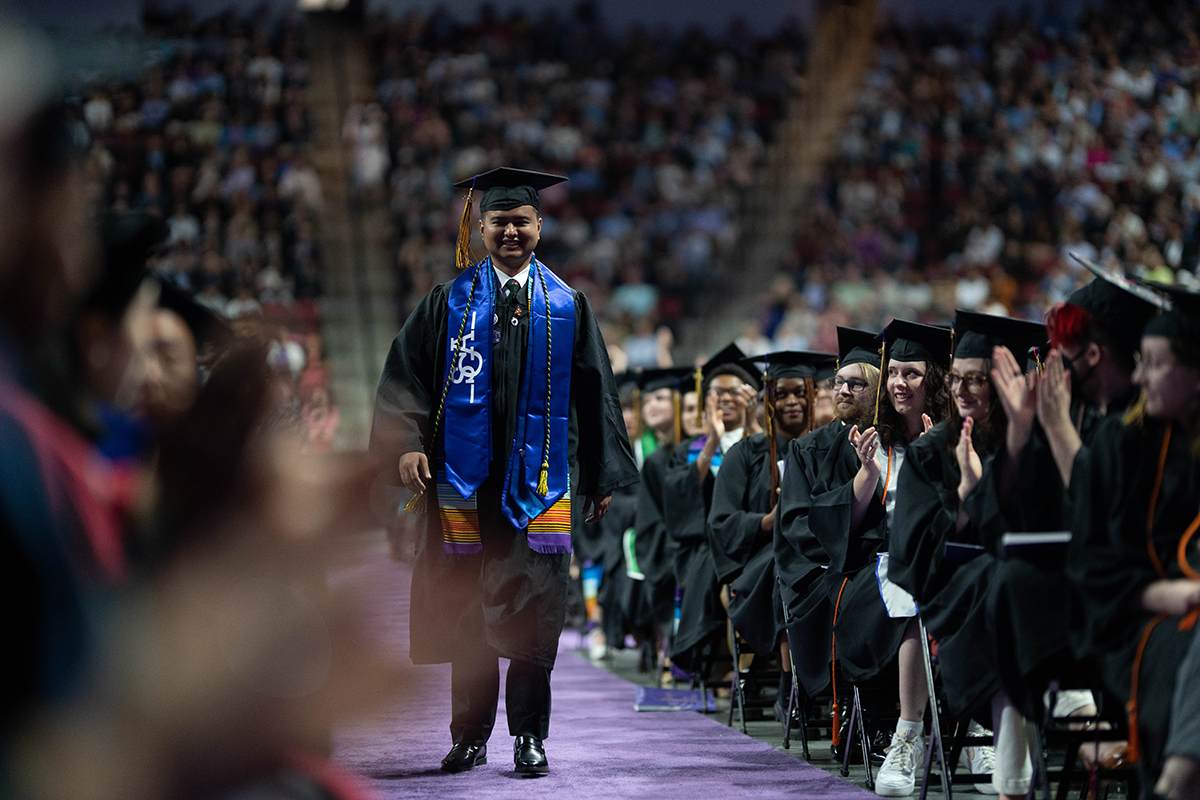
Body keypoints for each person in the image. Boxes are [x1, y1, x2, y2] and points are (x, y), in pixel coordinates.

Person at [369, 167, 638, 776]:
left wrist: (597, 474)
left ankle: (528, 739)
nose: (511, 231)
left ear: (539, 227)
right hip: (465, 486)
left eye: (521, 221)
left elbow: (598, 394)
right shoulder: (447, 303)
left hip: (541, 486)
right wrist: (408, 442)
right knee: (468, 613)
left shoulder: (568, 306)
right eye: (499, 222)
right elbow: (405, 376)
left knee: (534, 617)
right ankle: (469, 736)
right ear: (480, 228)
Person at [980, 267, 1159, 754]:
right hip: (1095, 582)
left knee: (1017, 586)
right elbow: (1019, 511)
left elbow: (1102, 514)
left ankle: (1085, 718)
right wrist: (1021, 430)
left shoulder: (1143, 420)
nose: (1052, 366)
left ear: (1093, 354)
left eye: (1061, 354)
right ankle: (1076, 716)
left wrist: (1056, 426)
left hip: (1138, 585)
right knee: (1009, 582)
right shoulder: (1079, 408)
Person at [889, 310, 1047, 800]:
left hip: (1029, 599)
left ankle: (1011, 780)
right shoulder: (931, 450)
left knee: (1012, 591)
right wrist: (965, 495)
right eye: (956, 378)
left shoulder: (1036, 441)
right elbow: (914, 556)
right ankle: (1061, 719)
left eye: (976, 380)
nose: (961, 391)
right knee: (1003, 586)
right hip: (953, 598)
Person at [807, 320, 966, 797]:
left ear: (933, 380)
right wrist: (868, 473)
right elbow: (845, 528)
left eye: (912, 373)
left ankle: (977, 727)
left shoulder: (959, 436)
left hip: (951, 565)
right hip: (878, 576)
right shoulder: (872, 441)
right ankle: (908, 736)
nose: (899, 382)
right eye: (893, 372)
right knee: (910, 590)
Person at [1067, 283, 1200, 800]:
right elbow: (1090, 568)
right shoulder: (1119, 444)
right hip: (1133, 627)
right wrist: (1171, 595)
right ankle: (1176, 782)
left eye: (1156, 364)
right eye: (1139, 361)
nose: (1138, 377)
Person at [708, 351, 825, 723]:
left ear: (813, 394)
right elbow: (721, 522)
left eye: (799, 393)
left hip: (820, 557)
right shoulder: (745, 454)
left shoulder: (829, 449)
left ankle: (808, 683)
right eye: (782, 393)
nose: (791, 402)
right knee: (784, 570)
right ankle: (795, 684)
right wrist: (768, 521)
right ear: (768, 399)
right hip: (758, 564)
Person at [775, 327, 880, 714]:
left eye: (857, 384)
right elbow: (798, 527)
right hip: (821, 571)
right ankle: (863, 713)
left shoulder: (898, 444)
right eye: (838, 383)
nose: (843, 391)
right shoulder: (807, 450)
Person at [661, 343, 759, 680]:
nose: (727, 397)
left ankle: (748, 670)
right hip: (704, 546)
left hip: (754, 541)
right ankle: (733, 670)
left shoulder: (762, 442)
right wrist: (714, 441)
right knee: (723, 580)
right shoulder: (691, 450)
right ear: (706, 400)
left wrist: (752, 427)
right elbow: (679, 501)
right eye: (719, 391)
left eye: (736, 391)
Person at [632, 370, 704, 683]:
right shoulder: (656, 461)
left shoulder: (704, 453)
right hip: (673, 546)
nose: (651, 406)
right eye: (647, 400)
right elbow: (650, 519)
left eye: (660, 398)